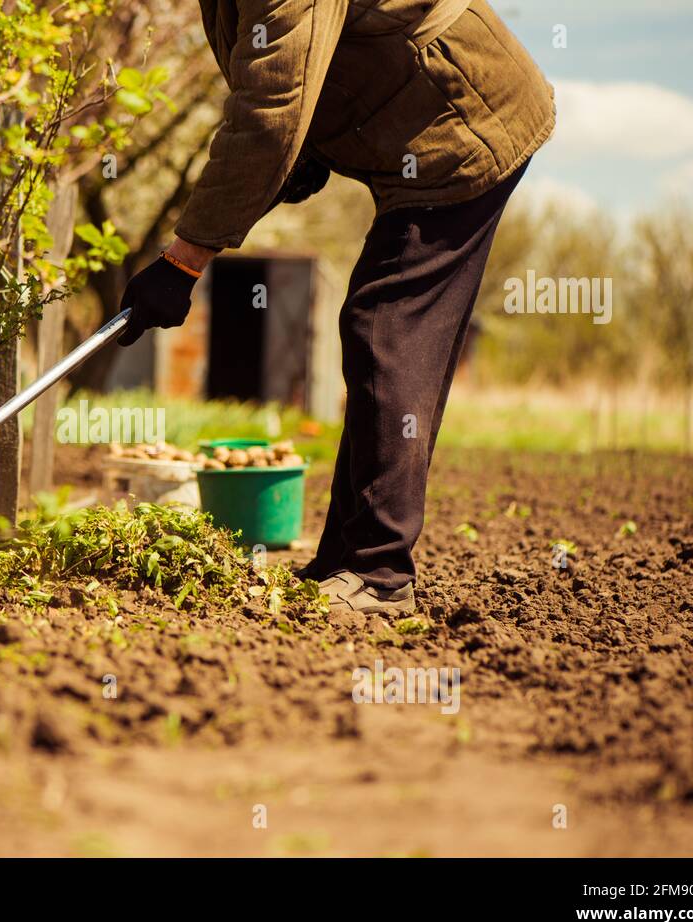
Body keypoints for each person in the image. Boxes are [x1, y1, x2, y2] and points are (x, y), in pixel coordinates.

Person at [117, 0, 553, 615]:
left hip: (465, 120)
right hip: (417, 120)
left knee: (385, 326)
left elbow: (271, 110)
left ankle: (378, 574)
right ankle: (344, 560)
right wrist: (303, 153)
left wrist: (183, 261)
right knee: (382, 327)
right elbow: (281, 67)